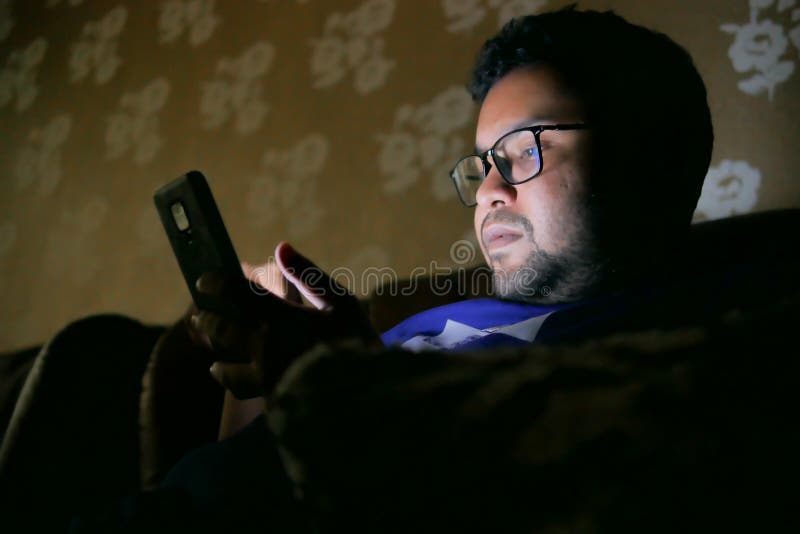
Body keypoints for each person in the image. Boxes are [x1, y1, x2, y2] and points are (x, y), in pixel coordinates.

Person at [24, 6, 797, 533]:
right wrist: (272, 366)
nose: (488, 192)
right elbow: (252, 468)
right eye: (481, 164)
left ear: (648, 158)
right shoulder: (413, 325)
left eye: (526, 150)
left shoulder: (711, 341)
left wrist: (340, 390)